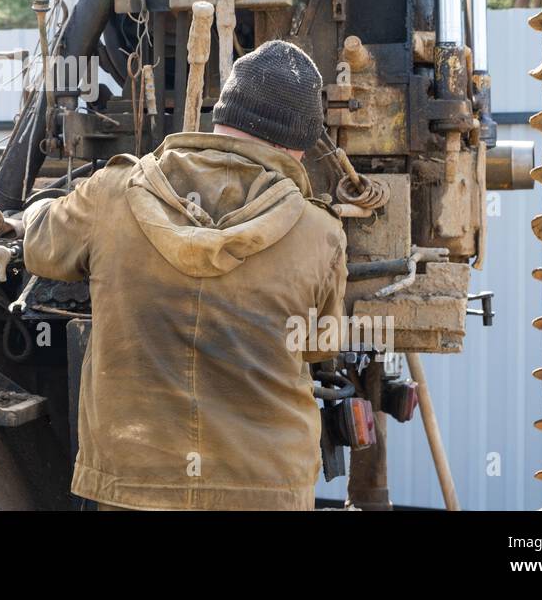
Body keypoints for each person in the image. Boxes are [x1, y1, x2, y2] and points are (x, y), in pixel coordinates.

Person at [23, 39, 347, 510]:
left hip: (136, 484)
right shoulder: (321, 235)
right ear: (296, 147)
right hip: (263, 487)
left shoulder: (113, 193)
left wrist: (34, 212)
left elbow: (39, 248)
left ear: (222, 116)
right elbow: (320, 344)